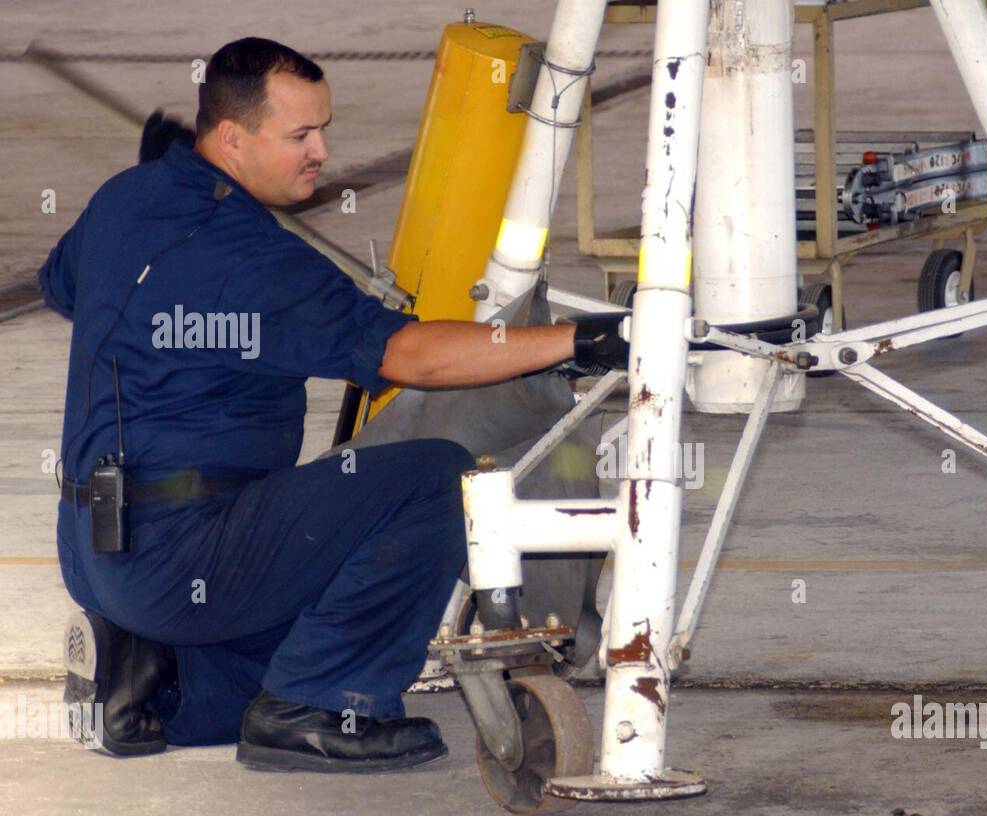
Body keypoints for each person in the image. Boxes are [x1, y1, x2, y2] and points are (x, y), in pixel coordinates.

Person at [42, 36, 627, 772]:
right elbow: (409, 356)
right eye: (300, 136)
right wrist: (577, 340)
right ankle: (317, 707)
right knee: (433, 481)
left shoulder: (122, 202)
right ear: (230, 137)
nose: (321, 151)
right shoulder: (258, 259)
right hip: (184, 552)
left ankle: (153, 685)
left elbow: (65, 288)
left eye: (324, 128)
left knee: (300, 596)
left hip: (93, 545)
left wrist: (156, 206)